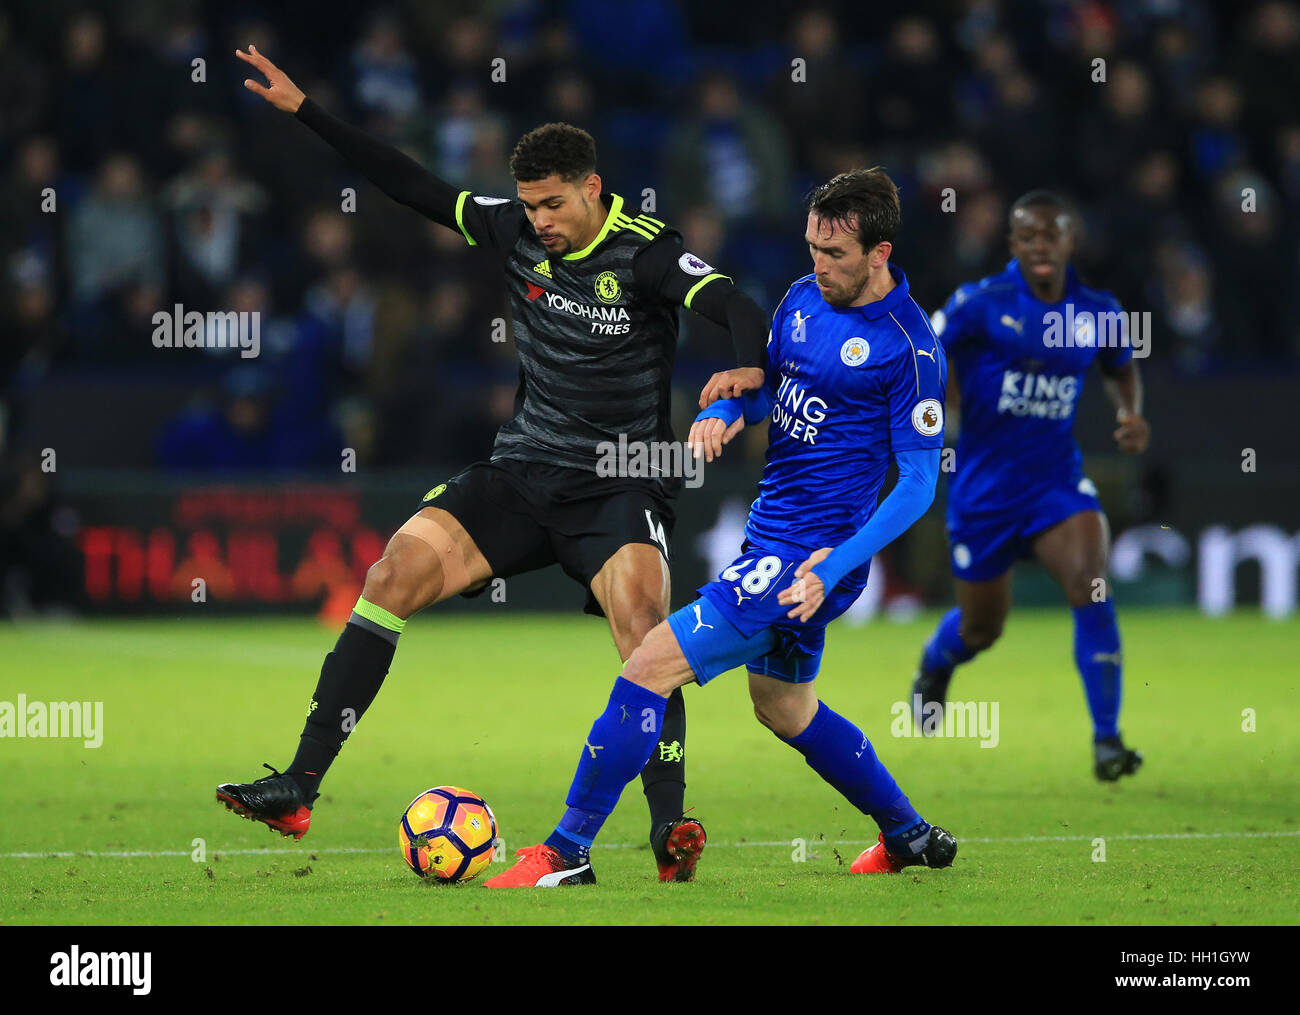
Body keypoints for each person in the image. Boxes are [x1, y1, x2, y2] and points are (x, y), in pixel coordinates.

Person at [216, 45, 771, 882]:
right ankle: (298, 786)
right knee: (390, 573)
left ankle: (669, 827)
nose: (538, 220)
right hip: (522, 470)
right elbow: (408, 181)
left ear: (591, 188)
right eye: (529, 205)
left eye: (552, 204)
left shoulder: (650, 253)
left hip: (619, 477)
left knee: (643, 625)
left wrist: (743, 377)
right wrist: (308, 112)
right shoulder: (509, 228)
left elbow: (736, 304)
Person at [483, 168, 957, 887]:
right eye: (812, 249)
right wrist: (724, 413)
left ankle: (566, 851)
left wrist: (835, 564)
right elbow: (765, 388)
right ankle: (909, 834)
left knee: (647, 663)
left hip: (809, 558)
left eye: (835, 255)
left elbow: (919, 484)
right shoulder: (802, 299)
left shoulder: (910, 348)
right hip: (774, 537)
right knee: (784, 706)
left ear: (880, 252)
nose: (818, 266)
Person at [911, 190, 1150, 781]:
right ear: (1013, 245)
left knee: (1090, 586)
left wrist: (1129, 413)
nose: (1040, 247)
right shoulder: (979, 304)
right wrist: (943, 404)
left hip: (1055, 483)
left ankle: (1107, 740)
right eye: (1027, 237)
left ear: (1071, 240)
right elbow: (925, 355)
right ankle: (936, 664)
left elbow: (1121, 364)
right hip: (984, 490)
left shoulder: (1098, 310)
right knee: (981, 629)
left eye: (1052, 235)